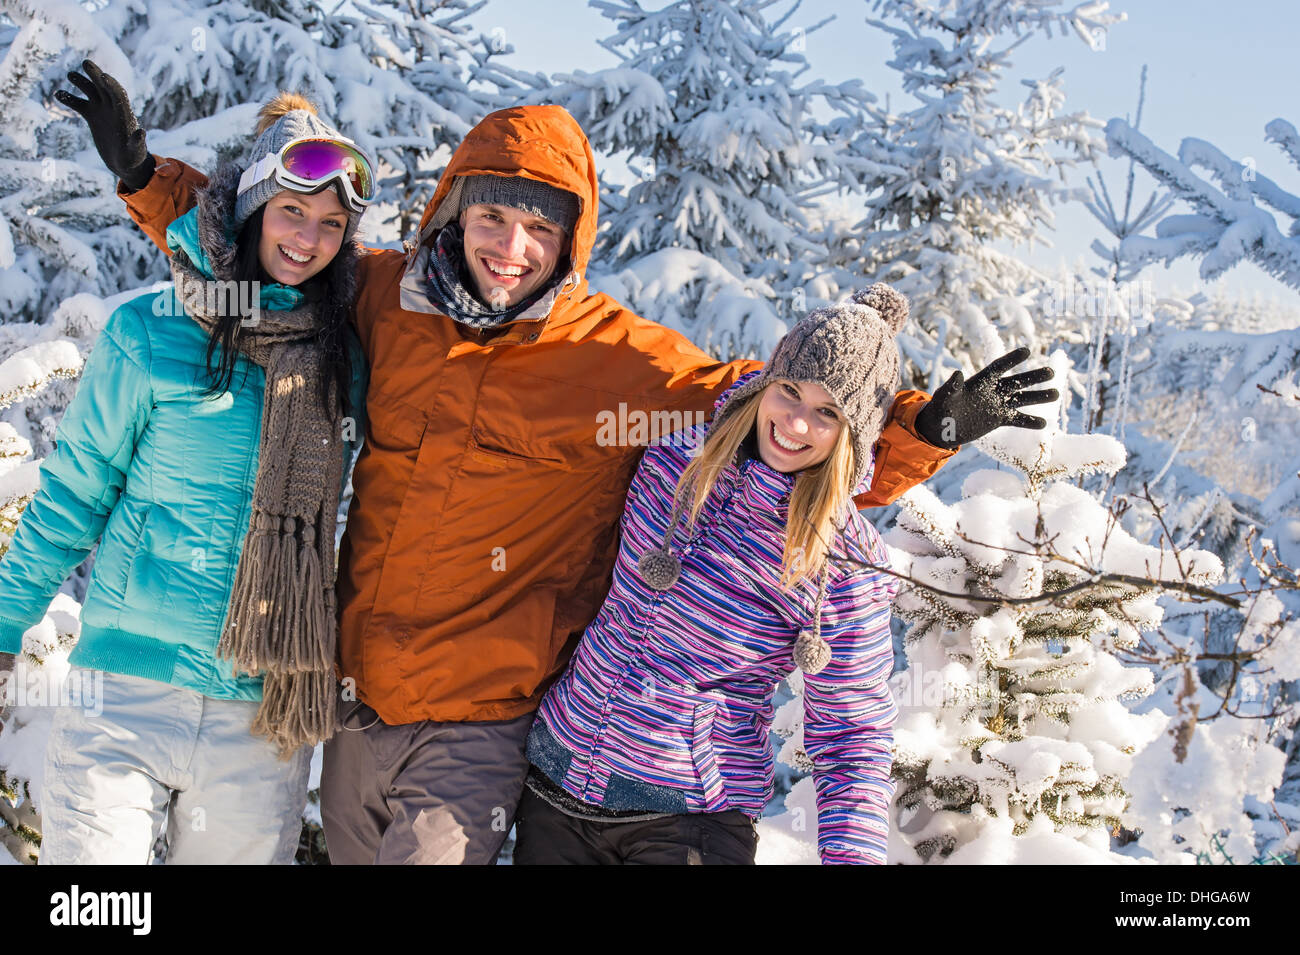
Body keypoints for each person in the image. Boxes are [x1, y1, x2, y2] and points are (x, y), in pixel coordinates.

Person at [74, 62, 1054, 863]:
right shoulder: (386, 299)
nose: (511, 248)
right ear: (453, 210)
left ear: (571, 240)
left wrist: (923, 427)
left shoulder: (617, 364)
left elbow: (784, 430)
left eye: (541, 229)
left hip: (481, 721)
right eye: (494, 218)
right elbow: (277, 247)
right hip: (354, 696)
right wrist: (146, 178)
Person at [513, 285, 1057, 864]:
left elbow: (851, 738)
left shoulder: (843, 559)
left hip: (685, 821)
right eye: (789, 391)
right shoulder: (671, 462)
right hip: (556, 790)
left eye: (828, 412)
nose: (795, 422)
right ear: (764, 385)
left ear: (855, 432)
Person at [0, 82, 371, 863]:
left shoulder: (346, 358)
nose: (308, 238)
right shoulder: (151, 333)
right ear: (251, 209)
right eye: (291, 212)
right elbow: (74, 492)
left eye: (332, 224)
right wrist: (5, 622)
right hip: (123, 694)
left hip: (259, 711)